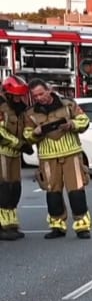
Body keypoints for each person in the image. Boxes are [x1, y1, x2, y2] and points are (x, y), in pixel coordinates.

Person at [22, 79, 92, 239]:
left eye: (41, 93)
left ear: (49, 90)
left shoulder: (68, 104)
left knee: (76, 191)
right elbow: (26, 135)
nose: (39, 98)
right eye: (35, 95)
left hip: (71, 154)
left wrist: (71, 125)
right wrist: (35, 133)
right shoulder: (30, 113)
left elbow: (85, 121)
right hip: (47, 157)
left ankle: (82, 226)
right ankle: (57, 226)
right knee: (52, 193)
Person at [0, 75, 31, 240]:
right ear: (9, 93)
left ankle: (11, 225)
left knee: (14, 190)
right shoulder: (1, 108)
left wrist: (28, 140)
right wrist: (18, 143)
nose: (20, 98)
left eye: (21, 95)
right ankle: (3, 227)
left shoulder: (20, 109)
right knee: (3, 190)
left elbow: (25, 128)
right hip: (2, 154)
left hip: (15, 155)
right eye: (17, 95)